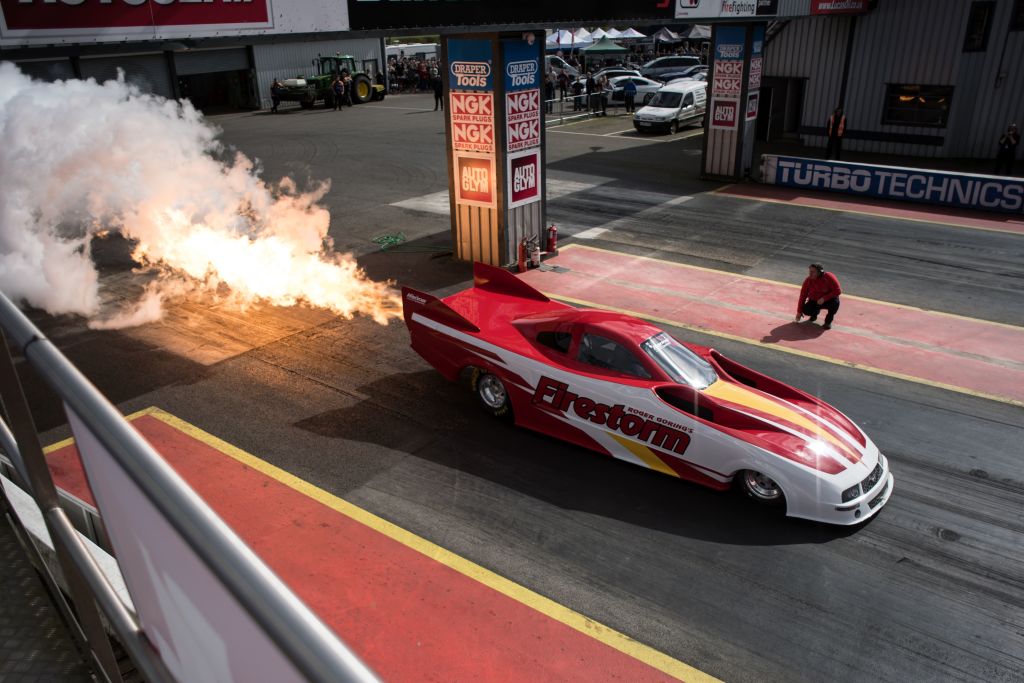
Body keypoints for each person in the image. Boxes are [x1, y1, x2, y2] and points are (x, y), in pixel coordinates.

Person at [795, 263, 842, 330]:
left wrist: (824, 298)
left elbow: (838, 291)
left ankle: (828, 322)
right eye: (809, 271)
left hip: (828, 300)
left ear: (819, 272)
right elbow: (802, 296)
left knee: (835, 304)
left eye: (813, 272)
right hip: (815, 301)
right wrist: (799, 312)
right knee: (806, 309)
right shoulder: (808, 280)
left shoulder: (829, 277)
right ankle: (814, 314)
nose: (810, 274)